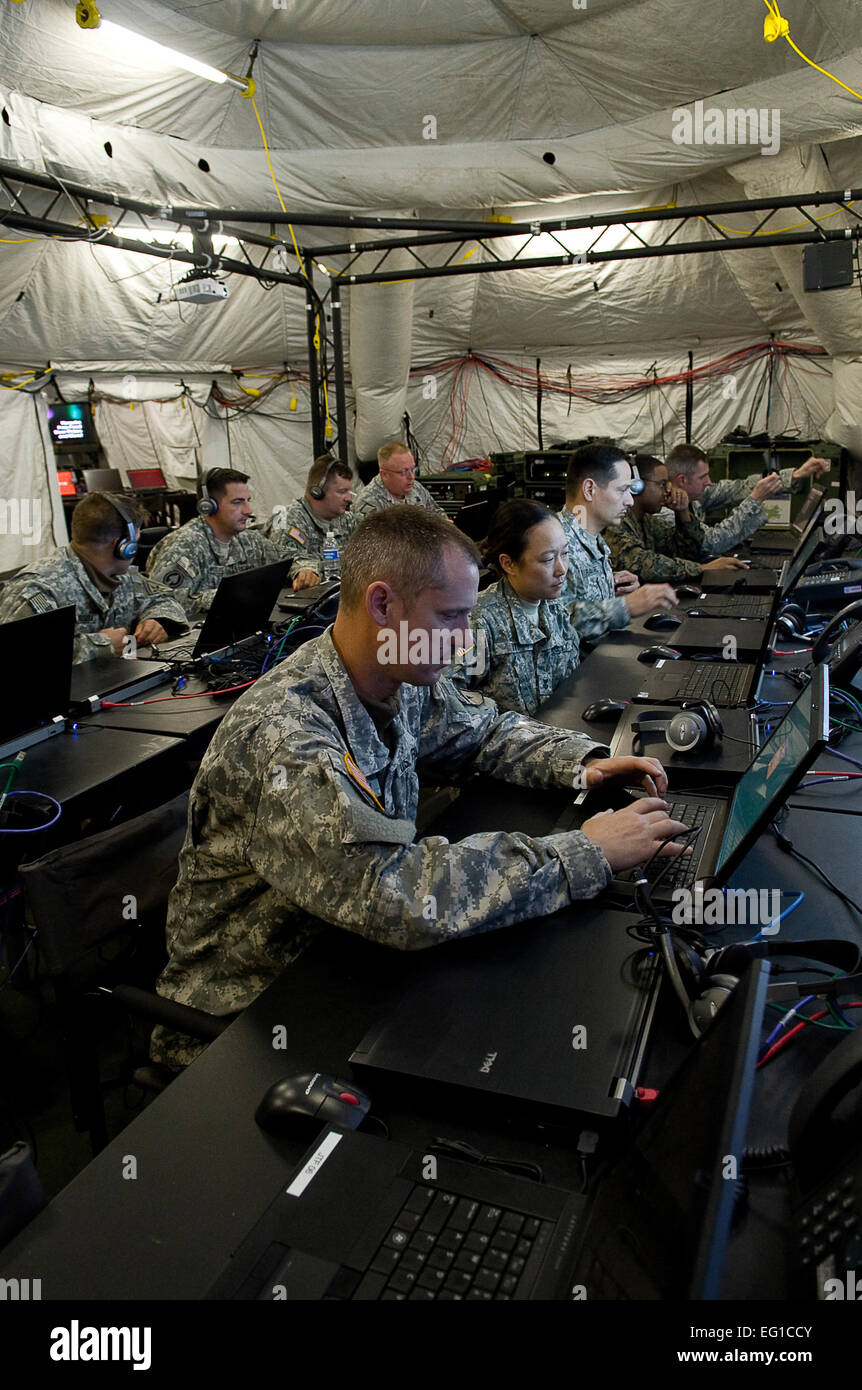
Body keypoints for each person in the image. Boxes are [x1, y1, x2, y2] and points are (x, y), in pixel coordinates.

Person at [150, 506, 686, 1070]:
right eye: (451, 618)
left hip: (350, 960)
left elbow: (484, 731)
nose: (461, 644)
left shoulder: (394, 669)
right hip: (254, 1018)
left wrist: (585, 760)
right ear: (383, 604)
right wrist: (585, 853)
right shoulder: (287, 735)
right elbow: (394, 896)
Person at [0, 492, 187, 663]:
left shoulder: (122, 577)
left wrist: (157, 620)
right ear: (123, 547)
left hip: (115, 686)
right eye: (136, 542)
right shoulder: (38, 589)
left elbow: (166, 598)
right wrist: (100, 646)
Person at [449, 499, 583, 716]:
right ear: (508, 563)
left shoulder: (554, 609)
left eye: (565, 554)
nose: (561, 569)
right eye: (548, 559)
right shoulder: (480, 623)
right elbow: (451, 701)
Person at [558, 444, 679, 643]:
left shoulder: (593, 538)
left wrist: (611, 588)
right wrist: (626, 606)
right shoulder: (554, 544)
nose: (630, 501)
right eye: (622, 490)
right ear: (589, 490)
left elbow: (575, 596)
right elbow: (554, 622)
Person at [146, 467, 281, 620]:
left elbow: (287, 555)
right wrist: (223, 596)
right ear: (209, 506)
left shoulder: (247, 538)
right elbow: (161, 604)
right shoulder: (184, 546)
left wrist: (303, 568)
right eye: (237, 502)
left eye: (248, 501)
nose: (248, 510)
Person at [665, 442, 831, 556]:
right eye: (703, 477)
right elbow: (712, 542)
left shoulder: (692, 497)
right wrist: (755, 499)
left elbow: (738, 488)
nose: (708, 482)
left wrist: (795, 475)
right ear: (682, 480)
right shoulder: (667, 512)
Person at [606, 455, 749, 582]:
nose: (668, 490)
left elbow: (686, 553)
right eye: (662, 484)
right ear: (636, 486)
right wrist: (702, 568)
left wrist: (683, 512)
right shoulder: (615, 520)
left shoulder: (646, 521)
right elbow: (640, 564)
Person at [264, 454, 356, 590]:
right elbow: (283, 558)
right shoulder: (284, 517)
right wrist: (306, 571)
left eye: (349, 492)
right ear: (317, 491)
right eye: (342, 492)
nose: (349, 499)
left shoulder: (346, 519)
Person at [350, 441, 447, 521]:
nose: (411, 477)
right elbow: (373, 541)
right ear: (384, 474)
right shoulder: (368, 501)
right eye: (404, 472)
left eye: (413, 469)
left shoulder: (416, 488)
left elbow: (437, 514)